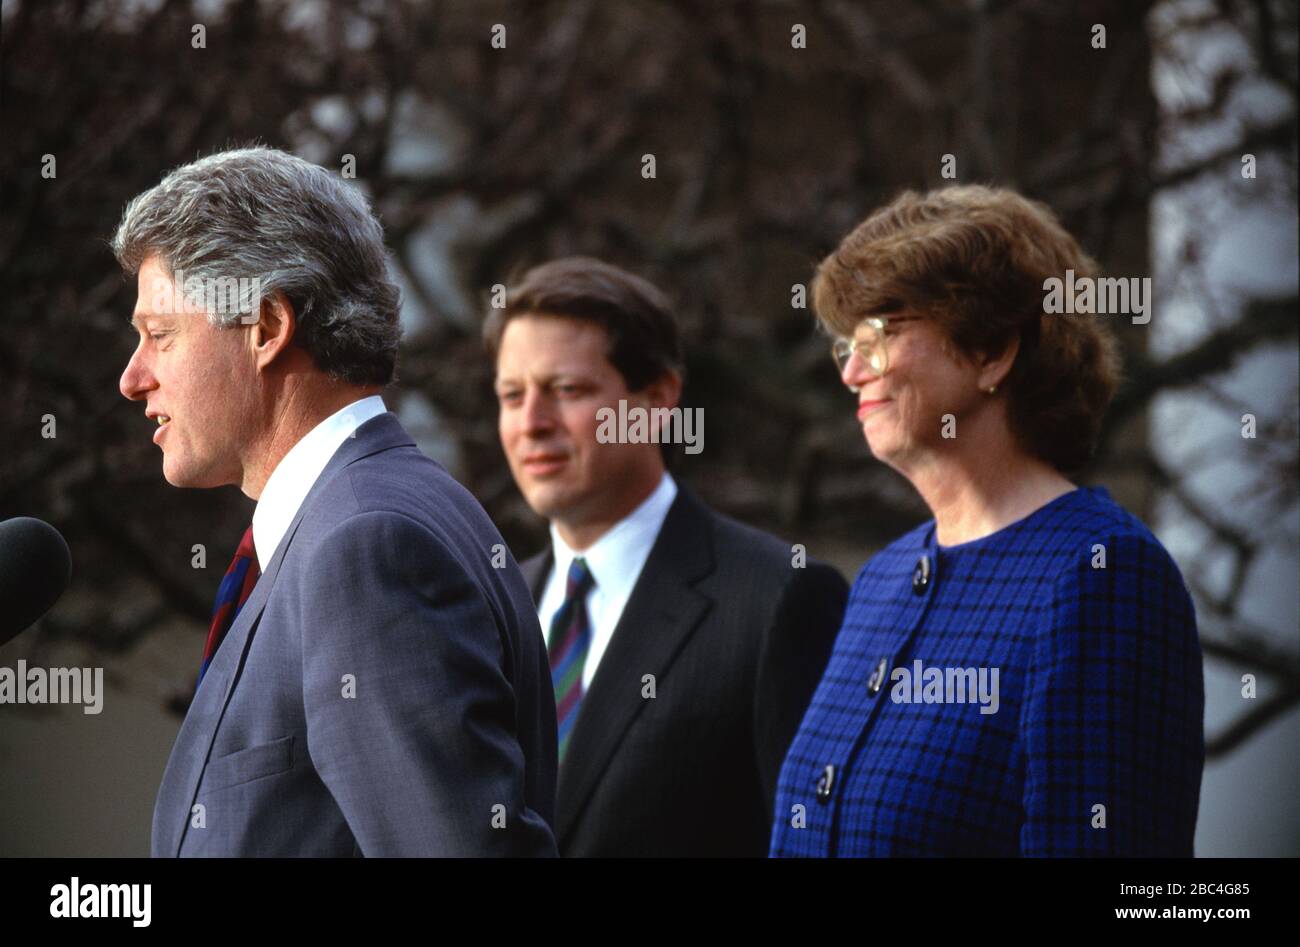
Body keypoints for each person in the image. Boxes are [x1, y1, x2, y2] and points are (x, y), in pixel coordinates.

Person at [114, 145, 557, 856]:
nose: (132, 378)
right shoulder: (369, 519)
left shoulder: (367, 546)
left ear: (265, 327)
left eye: (159, 336)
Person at [770, 185, 1204, 857]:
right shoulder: (882, 578)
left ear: (994, 350)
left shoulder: (1101, 574)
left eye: (881, 335)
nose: (854, 370)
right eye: (846, 345)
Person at [487, 257, 848, 856]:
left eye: (567, 390)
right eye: (510, 395)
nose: (532, 423)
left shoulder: (779, 598)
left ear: (656, 400)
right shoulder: (492, 608)